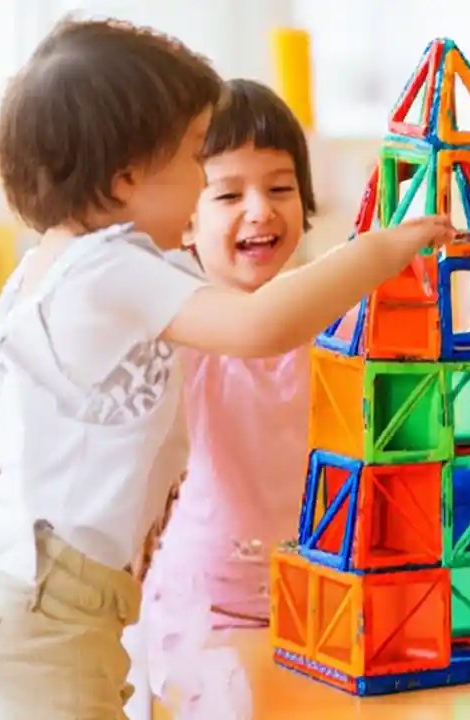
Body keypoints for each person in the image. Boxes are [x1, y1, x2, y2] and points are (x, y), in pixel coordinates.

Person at [0, 18, 452, 719]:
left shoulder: (49, 268)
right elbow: (260, 325)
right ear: (127, 176)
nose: (204, 184)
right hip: (49, 611)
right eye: (201, 164)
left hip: (37, 600)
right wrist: (379, 252)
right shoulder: (113, 270)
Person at [122, 78, 318, 719]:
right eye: (229, 193)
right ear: (187, 221)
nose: (260, 210)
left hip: (316, 601)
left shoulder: (332, 325)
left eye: (280, 188)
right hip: (201, 609)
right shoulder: (183, 325)